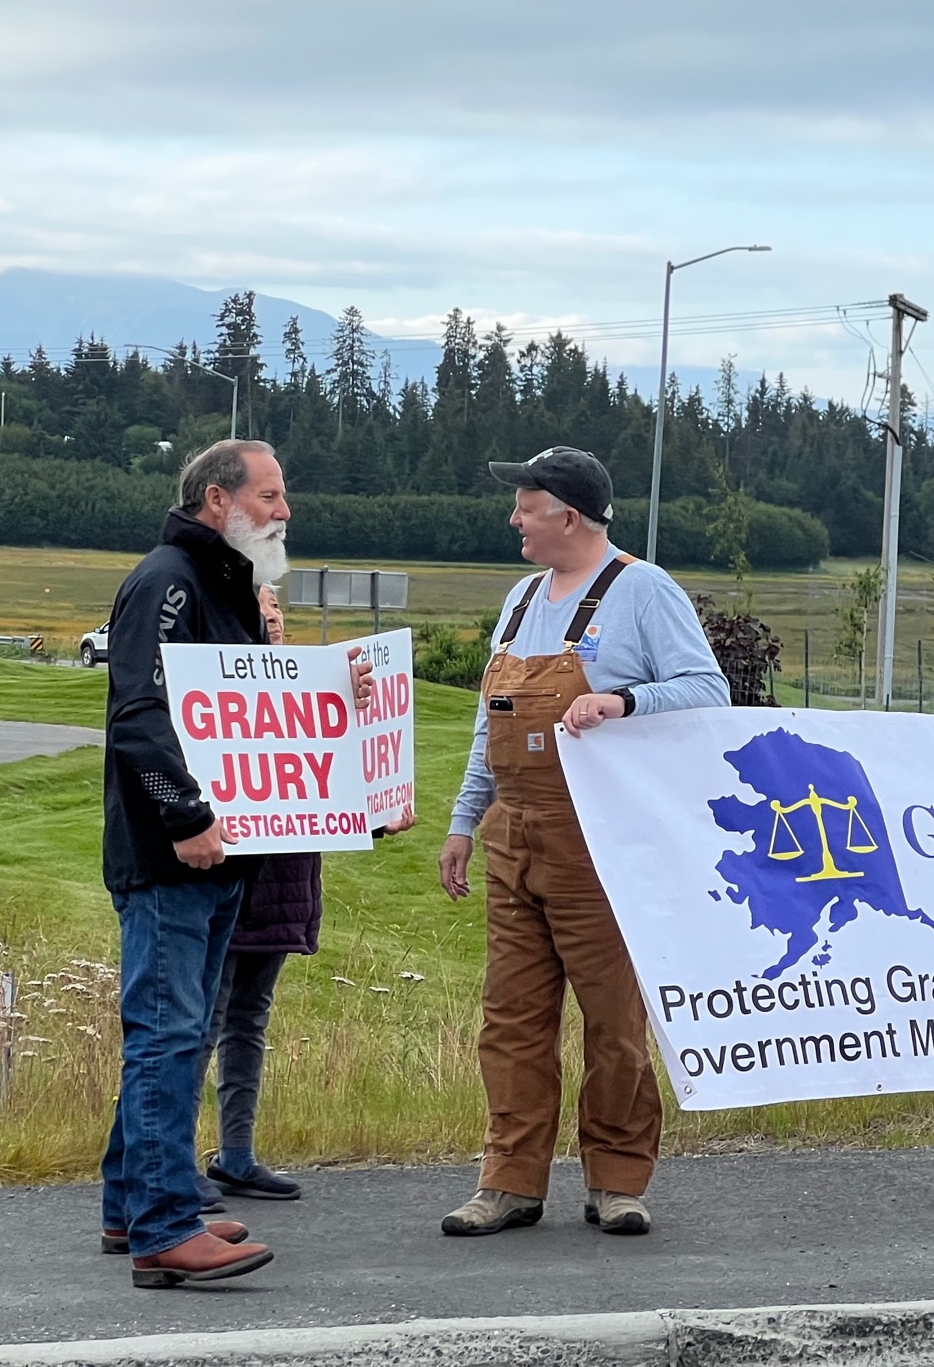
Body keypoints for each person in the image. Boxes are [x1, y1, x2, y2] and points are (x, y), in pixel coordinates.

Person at [437, 446, 730, 1239]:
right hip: (514, 839)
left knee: (613, 1022)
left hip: (602, 845)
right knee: (512, 1020)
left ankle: (617, 1181)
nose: (514, 519)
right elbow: (489, 724)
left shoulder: (643, 589)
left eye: (526, 507)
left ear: (567, 517)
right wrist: (464, 822)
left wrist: (622, 702)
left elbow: (708, 689)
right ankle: (508, 1183)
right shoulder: (521, 597)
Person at [100, 440, 372, 1287]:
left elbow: (256, 711)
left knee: (180, 1031)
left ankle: (135, 1203)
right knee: (168, 1033)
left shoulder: (231, 586)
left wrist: (337, 693)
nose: (285, 511)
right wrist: (183, 815)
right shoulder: (169, 581)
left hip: (229, 852)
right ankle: (163, 1229)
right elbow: (138, 714)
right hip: (174, 855)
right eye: (270, 494)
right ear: (218, 500)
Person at [191, 585, 417, 1209]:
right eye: (261, 612)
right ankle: (176, 1163)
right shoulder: (212, 689)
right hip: (226, 881)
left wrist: (375, 818)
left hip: (283, 886)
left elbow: (323, 784)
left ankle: (236, 1153)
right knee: (204, 1023)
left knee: (248, 1020)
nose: (273, 622)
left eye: (278, 613)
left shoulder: (314, 691)